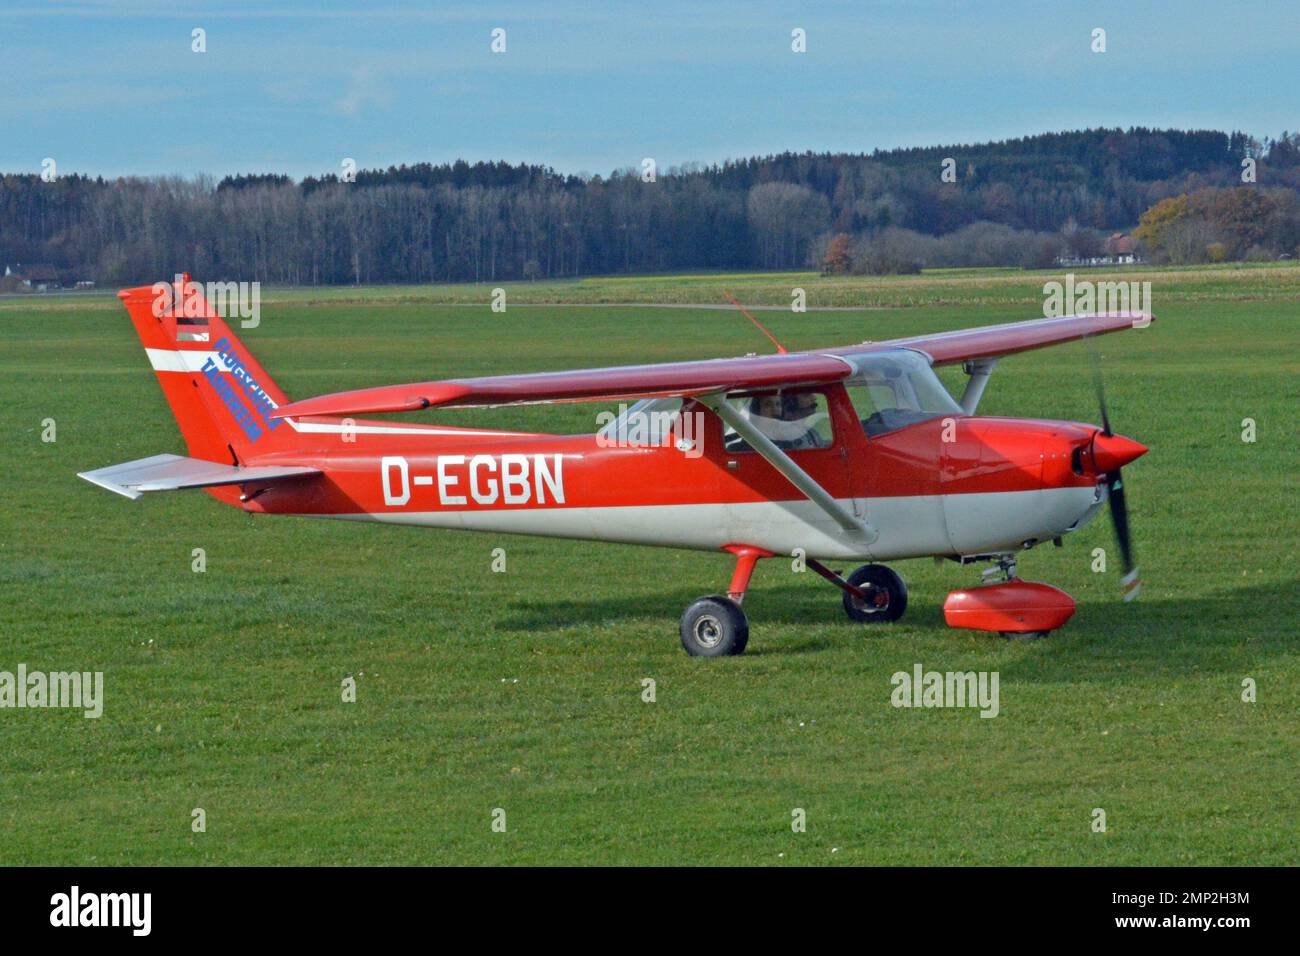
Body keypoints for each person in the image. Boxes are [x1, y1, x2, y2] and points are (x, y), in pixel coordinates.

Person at [731, 391, 827, 450]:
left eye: (778, 404)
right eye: (768, 405)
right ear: (756, 412)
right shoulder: (743, 447)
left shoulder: (806, 435)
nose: (775, 409)